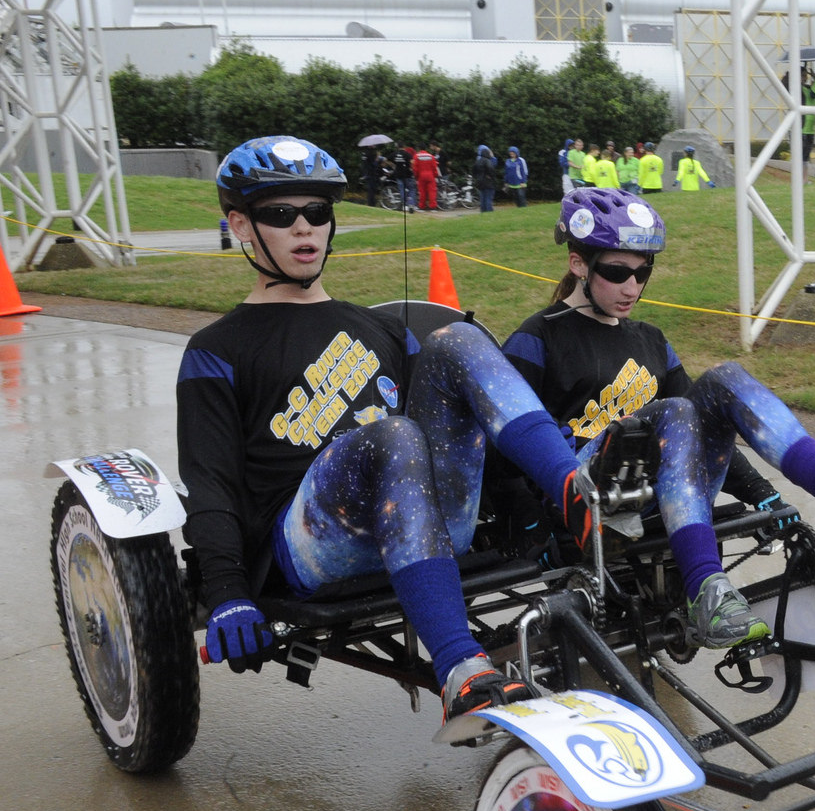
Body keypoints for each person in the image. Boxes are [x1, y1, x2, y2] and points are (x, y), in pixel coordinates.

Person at [177, 136, 602, 721]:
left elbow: (461, 430)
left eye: (317, 213)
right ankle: (460, 668)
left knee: (459, 339)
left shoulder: (381, 330)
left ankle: (572, 489)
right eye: (281, 215)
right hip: (313, 541)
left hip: (426, 520)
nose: (305, 229)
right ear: (241, 225)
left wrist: (527, 517)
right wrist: (226, 592)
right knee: (394, 435)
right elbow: (210, 482)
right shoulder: (215, 349)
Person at [502, 189, 815, 647]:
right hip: (589, 500)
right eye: (617, 272)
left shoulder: (650, 338)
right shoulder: (537, 338)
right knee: (675, 411)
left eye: (643, 272)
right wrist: (530, 523)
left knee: (723, 379)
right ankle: (705, 588)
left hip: (667, 488)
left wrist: (762, 495)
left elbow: (700, 426)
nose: (633, 287)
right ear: (577, 264)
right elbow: (506, 444)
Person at [473, 144, 499, 213]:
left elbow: (474, 171)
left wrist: (477, 177)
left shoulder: (477, 161)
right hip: (488, 182)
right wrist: (492, 177)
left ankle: (483, 211)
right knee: (488, 198)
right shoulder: (487, 161)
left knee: (482, 198)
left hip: (480, 182)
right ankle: (489, 211)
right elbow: (491, 169)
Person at [414, 143, 440, 211]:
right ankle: (433, 207)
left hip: (421, 176)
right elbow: (434, 167)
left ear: (419, 149)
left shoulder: (417, 156)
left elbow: (415, 168)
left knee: (422, 192)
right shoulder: (431, 156)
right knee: (432, 192)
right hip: (430, 175)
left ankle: (422, 206)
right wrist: (435, 175)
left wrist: (416, 176)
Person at [394, 146, 418, 210]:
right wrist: (411, 168)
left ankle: (405, 205)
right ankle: (411, 204)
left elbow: (387, 159)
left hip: (399, 175)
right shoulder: (408, 154)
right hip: (408, 175)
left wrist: (394, 166)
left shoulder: (395, 154)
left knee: (402, 189)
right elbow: (413, 162)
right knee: (411, 189)